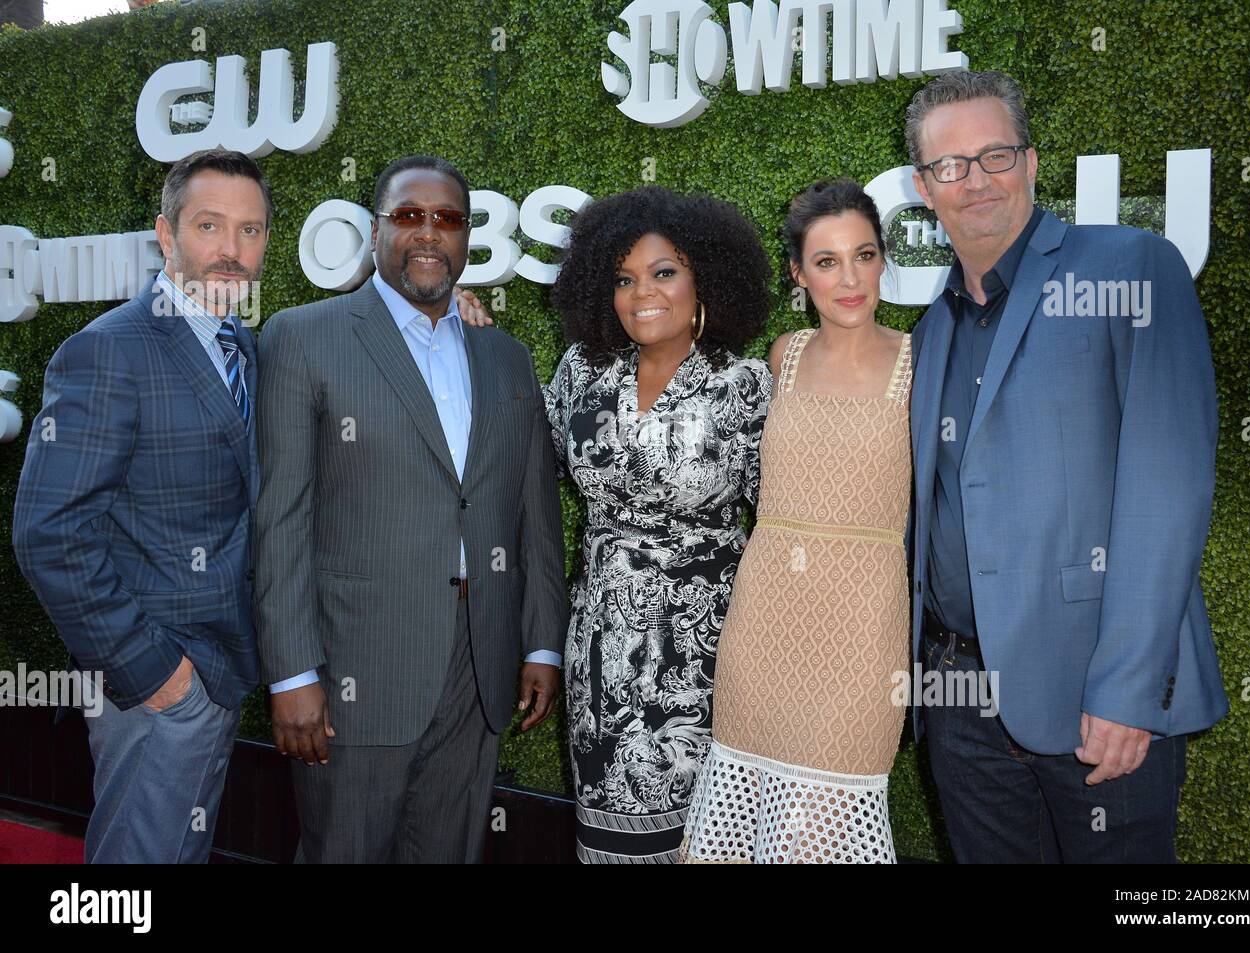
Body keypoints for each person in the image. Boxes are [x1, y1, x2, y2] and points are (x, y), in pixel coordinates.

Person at [905, 70, 1228, 862]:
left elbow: (1169, 486)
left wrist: (1127, 692)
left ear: (1033, 161)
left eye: (995, 155)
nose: (975, 180)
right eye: (951, 165)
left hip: (1094, 697)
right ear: (923, 186)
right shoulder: (928, 328)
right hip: (959, 700)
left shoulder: (1132, 267)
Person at [254, 154, 567, 863]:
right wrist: (292, 672)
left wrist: (541, 640)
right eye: (409, 216)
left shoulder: (505, 357)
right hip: (354, 669)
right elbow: (281, 519)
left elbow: (532, 509)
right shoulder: (303, 336)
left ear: (465, 238)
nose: (428, 234)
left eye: (447, 219)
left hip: (478, 665)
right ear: (375, 231)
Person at [12, 148, 271, 863]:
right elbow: (48, 533)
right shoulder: (107, 350)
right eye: (210, 225)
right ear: (166, 234)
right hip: (156, 685)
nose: (230, 250)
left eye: (250, 231)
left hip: (220, 669)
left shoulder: (242, 347)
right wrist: (153, 672)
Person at [679, 179, 912, 863]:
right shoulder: (784, 355)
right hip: (764, 625)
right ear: (798, 272)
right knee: (741, 830)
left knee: (817, 834)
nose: (850, 278)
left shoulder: (919, 361)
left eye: (864, 255)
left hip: (862, 635)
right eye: (828, 261)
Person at [542, 187, 772, 863]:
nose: (642, 292)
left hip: (706, 657)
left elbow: (780, 524)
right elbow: (527, 469)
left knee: (708, 843)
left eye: (663, 271)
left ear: (704, 278)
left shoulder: (746, 385)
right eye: (623, 278)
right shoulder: (582, 373)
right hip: (602, 658)